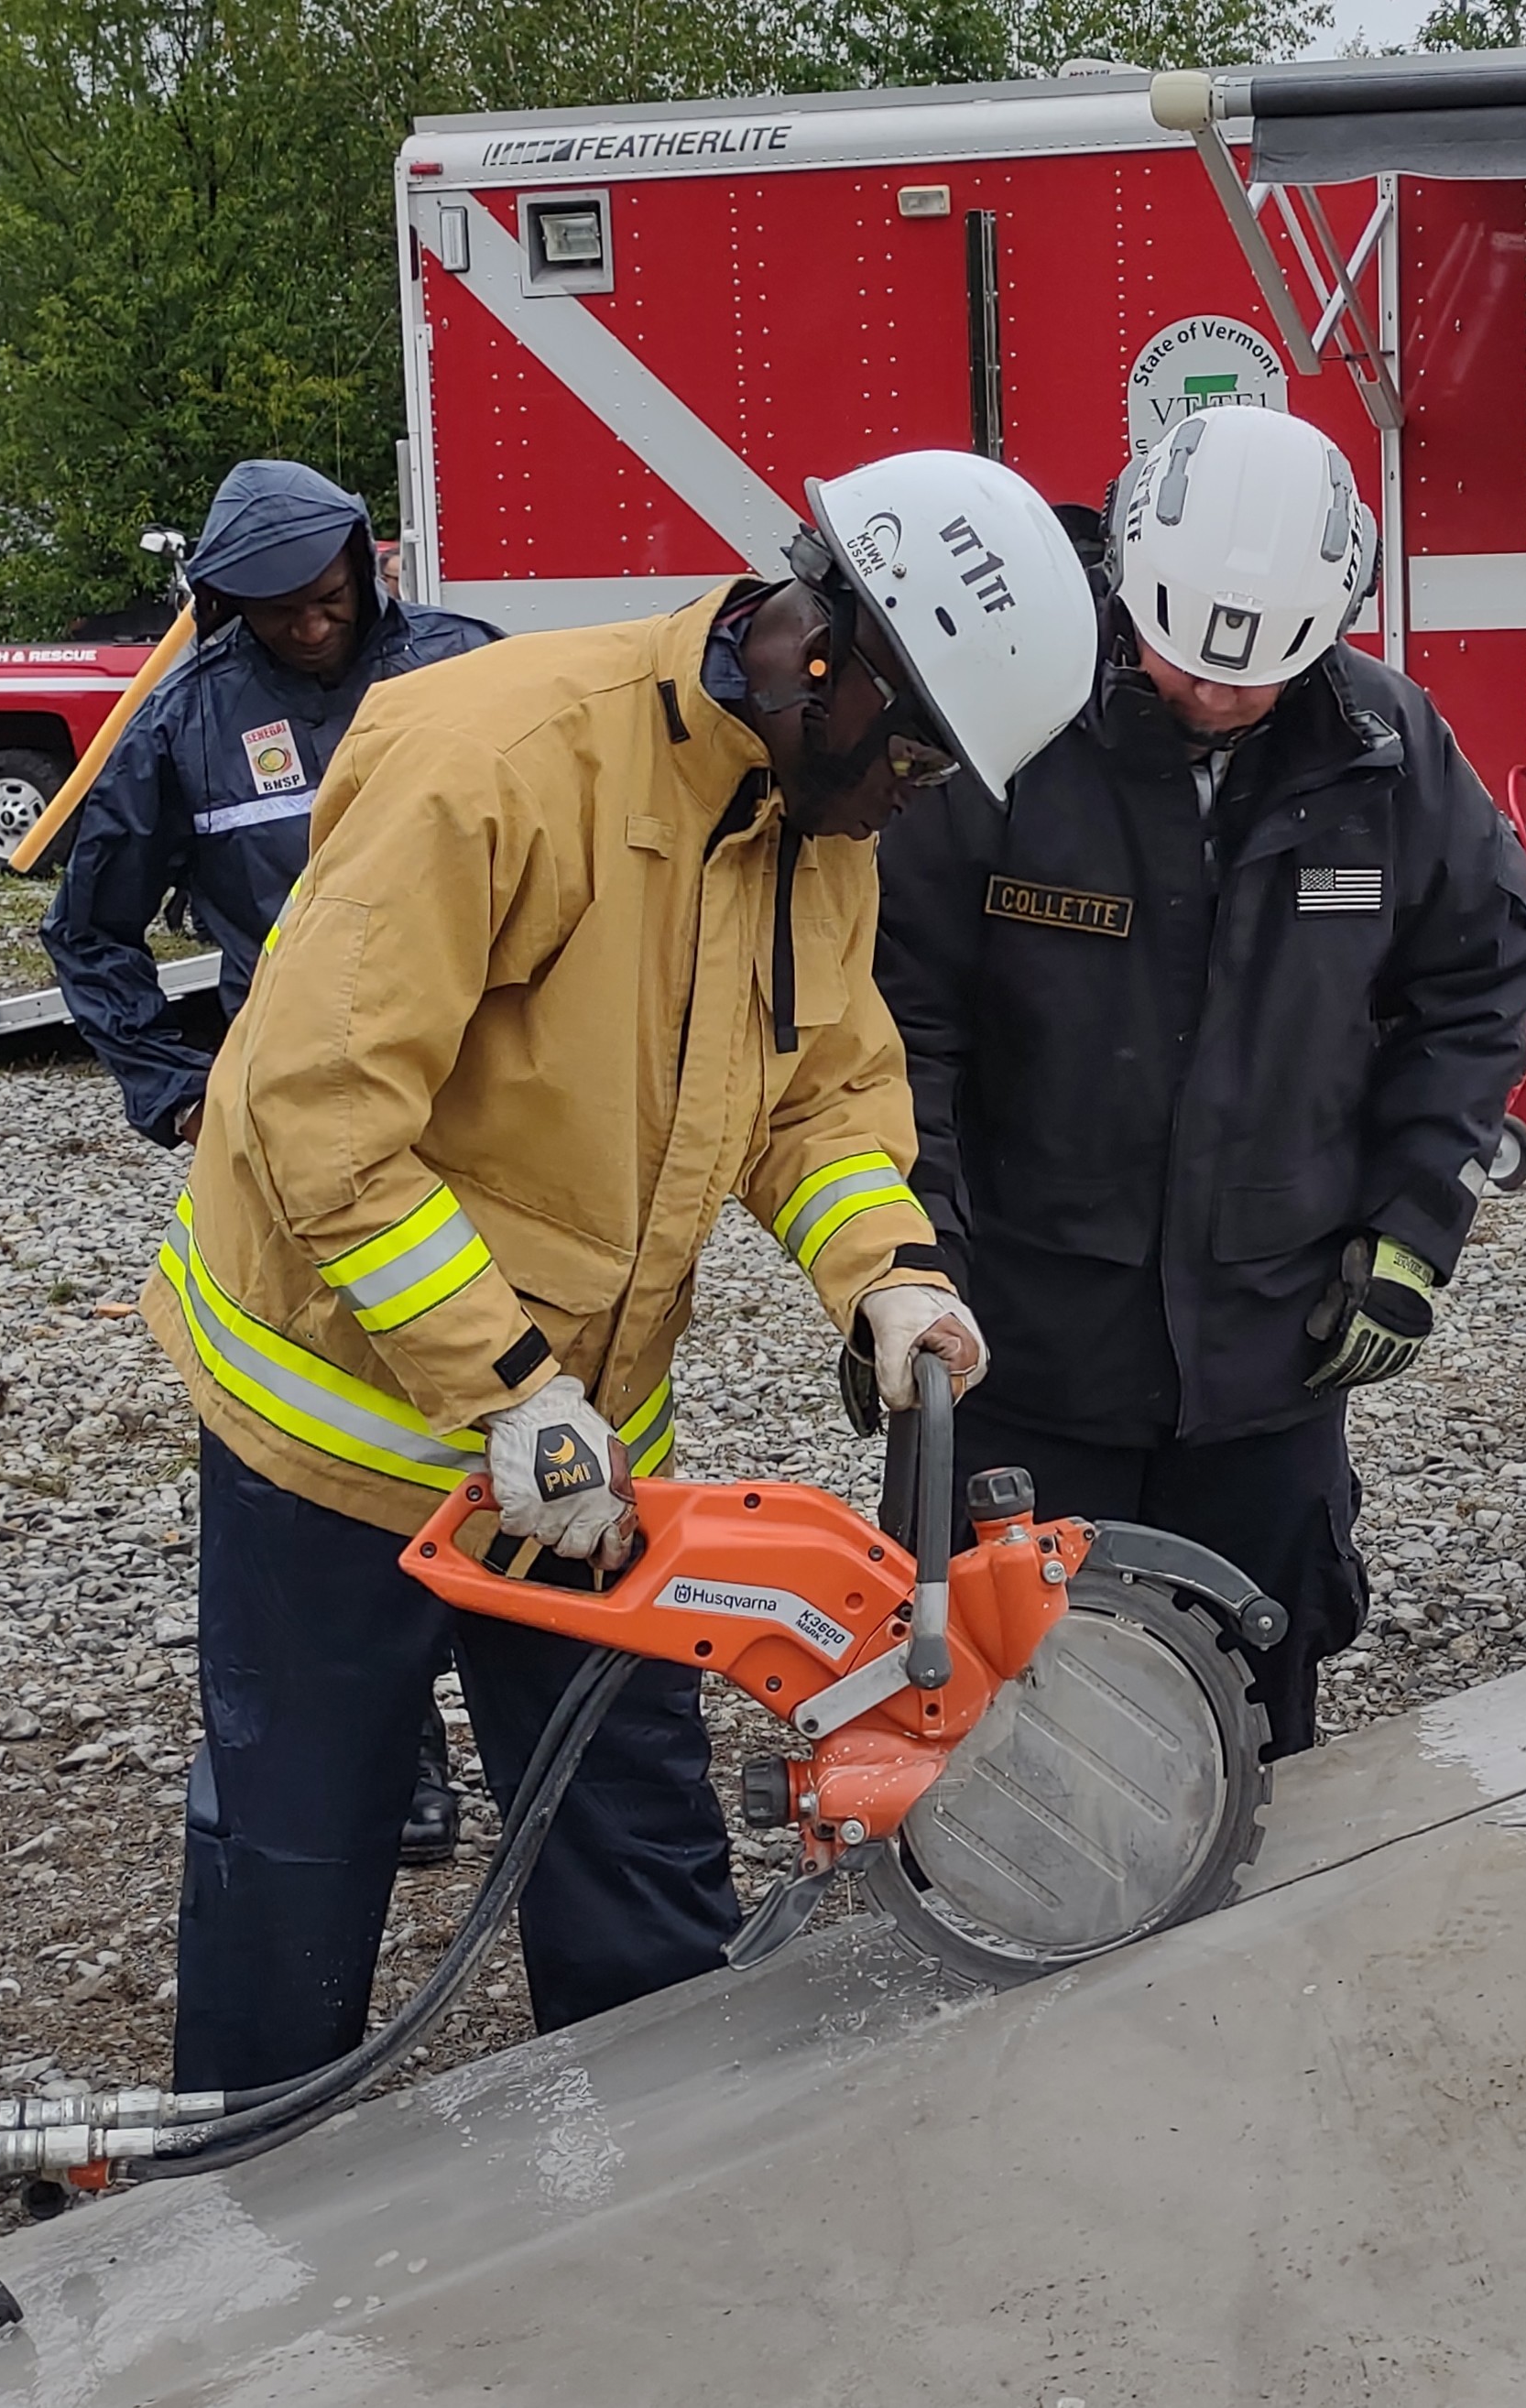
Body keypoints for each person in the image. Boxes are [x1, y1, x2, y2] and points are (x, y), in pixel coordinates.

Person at [138, 449, 1099, 2090]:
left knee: (633, 1850)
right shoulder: (501, 758)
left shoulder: (813, 822)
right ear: (820, 653)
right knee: (301, 1854)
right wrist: (506, 1387)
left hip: (586, 1439)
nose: (918, 799)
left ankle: (666, 2188)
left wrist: (885, 1270)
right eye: (922, 756)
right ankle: (237, 2209)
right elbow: (321, 1113)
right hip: (343, 1429)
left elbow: (821, 1090)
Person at [876, 409, 1526, 1759]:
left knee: (1255, 1705)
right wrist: (899, 1264)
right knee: (1007, 1719)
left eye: (1254, 673)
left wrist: (1415, 1230)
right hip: (1026, 1341)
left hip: (1266, 1353)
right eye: (1184, 656)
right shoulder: (1016, 727)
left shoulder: (1381, 748)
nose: (1215, 694)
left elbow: (1478, 983)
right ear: (1126, 576)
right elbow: (898, 1024)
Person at [43, 458, 497, 1864]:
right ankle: (393, 1755)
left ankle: (540, 1713)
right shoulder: (188, 719)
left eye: (323, 599)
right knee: (333, 1443)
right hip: (298, 1141)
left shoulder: (468, 673)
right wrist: (178, 1095)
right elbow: (88, 930)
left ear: (366, 561)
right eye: (270, 613)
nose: (308, 628)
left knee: (506, 1400)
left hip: (481, 1110)